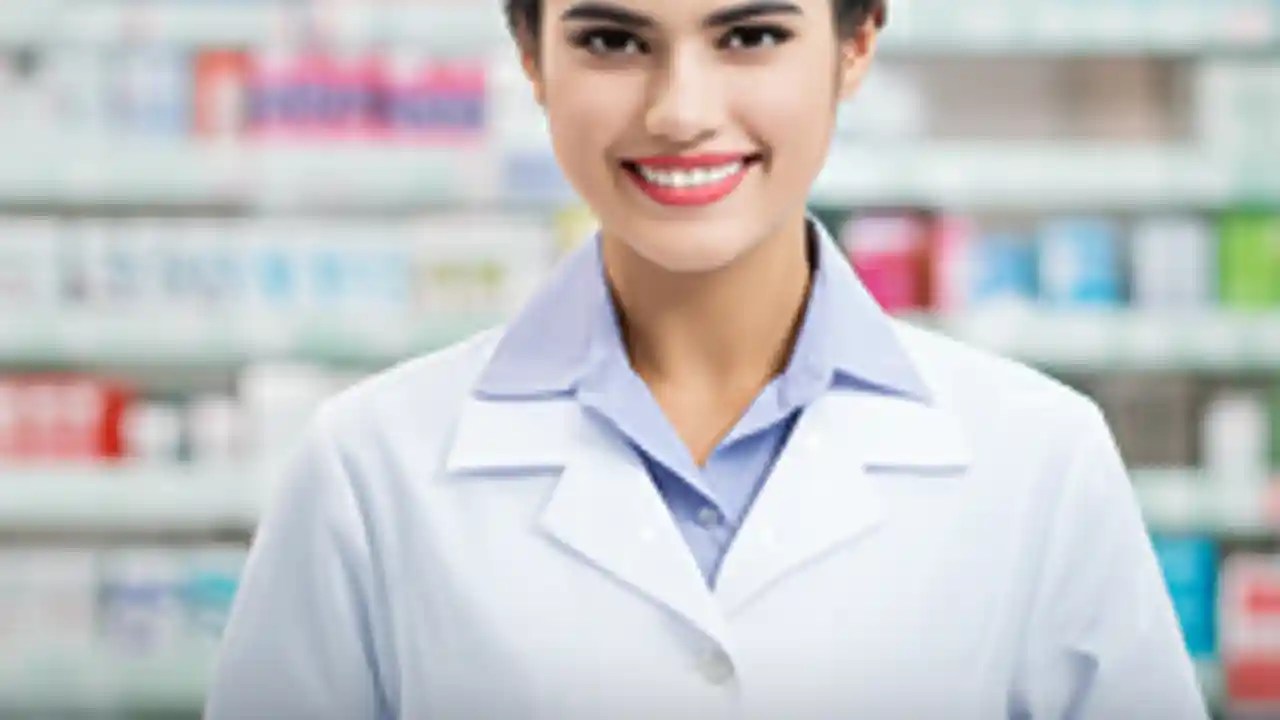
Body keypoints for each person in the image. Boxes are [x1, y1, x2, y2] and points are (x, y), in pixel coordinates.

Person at [205, 1, 1210, 718]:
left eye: (750, 35)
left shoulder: (1037, 458)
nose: (678, 109)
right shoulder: (369, 469)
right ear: (528, 52)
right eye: (610, 39)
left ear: (855, 42)